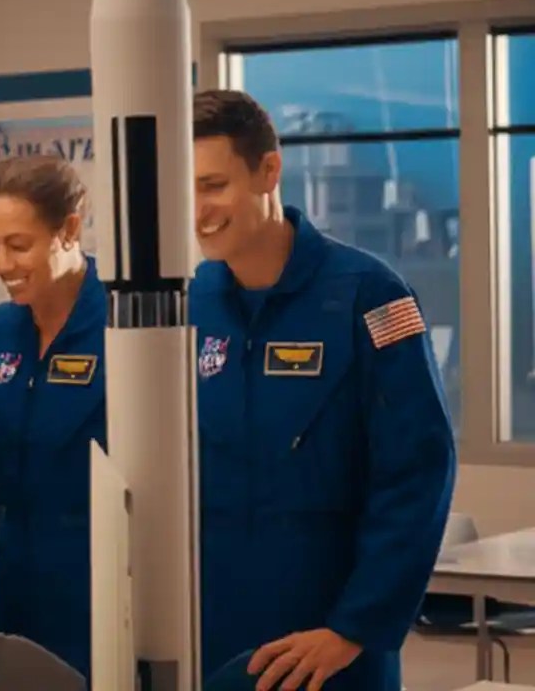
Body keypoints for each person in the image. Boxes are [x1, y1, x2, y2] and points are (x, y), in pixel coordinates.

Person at [189, 89, 456, 691]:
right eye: (186, 186)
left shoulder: (370, 295)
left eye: (213, 184)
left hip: (330, 642)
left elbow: (418, 472)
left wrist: (354, 628)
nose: (198, 207)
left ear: (269, 171)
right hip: (212, 628)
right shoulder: (190, 304)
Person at [0, 154, 106, 681]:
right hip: (17, 582)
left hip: (102, 578)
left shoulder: (125, 325)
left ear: (68, 229)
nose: (2, 263)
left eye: (18, 244)